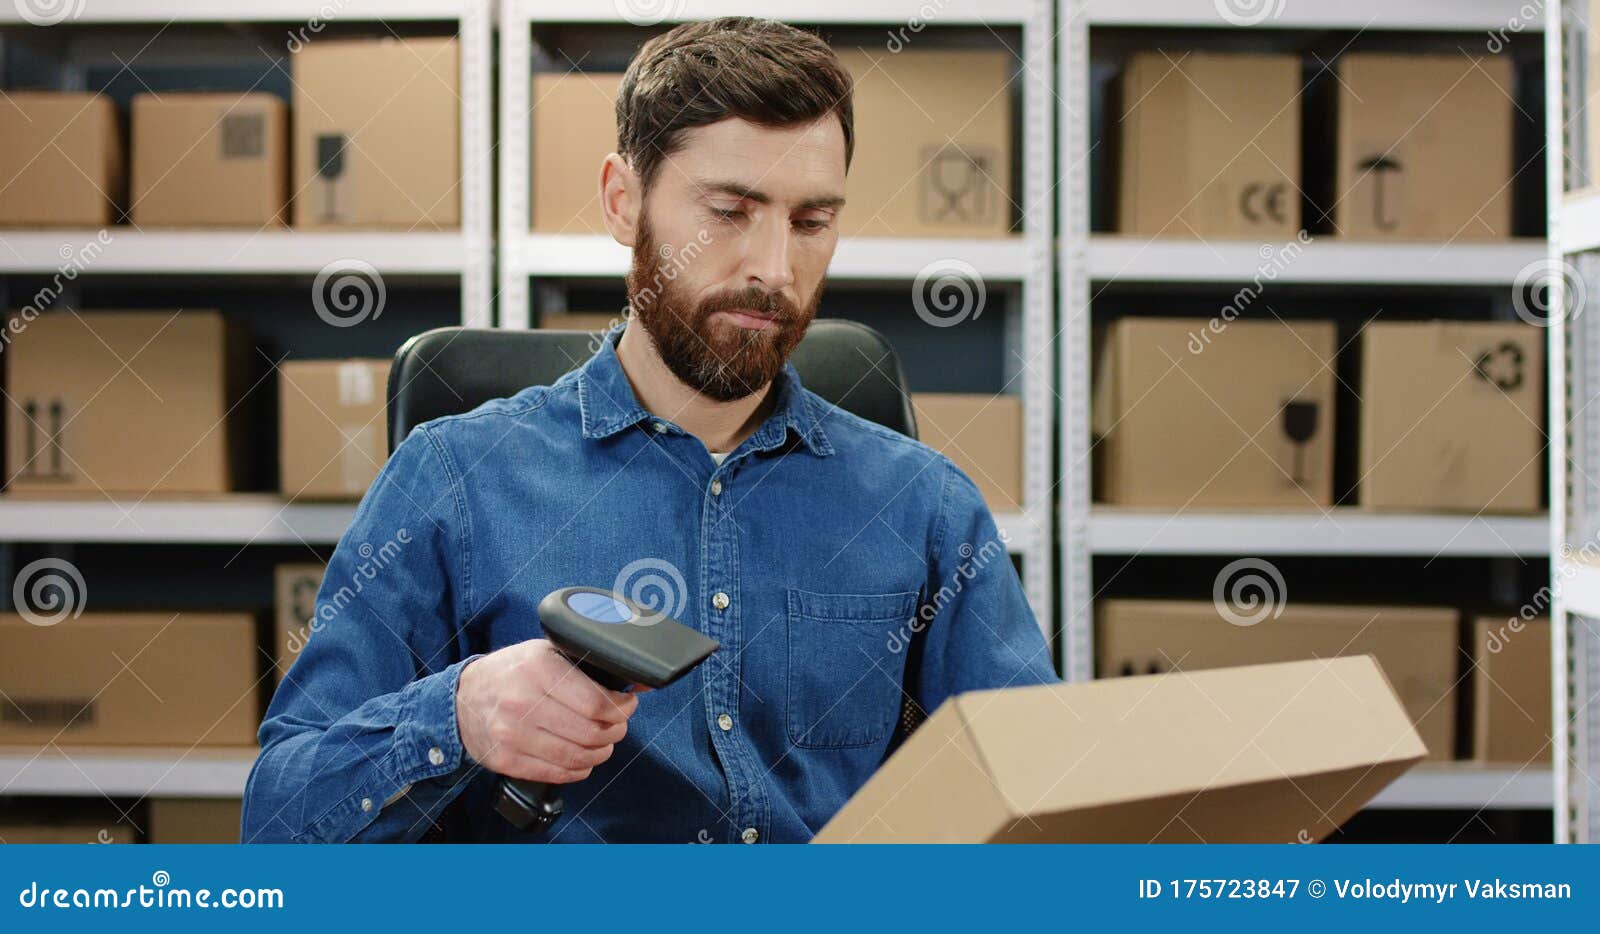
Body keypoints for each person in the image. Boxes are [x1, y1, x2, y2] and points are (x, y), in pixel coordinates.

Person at [243, 15, 1055, 844]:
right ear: (624, 203)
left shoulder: (924, 508)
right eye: (731, 212)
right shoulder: (457, 477)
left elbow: (1043, 801)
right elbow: (279, 820)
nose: (775, 268)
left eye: (811, 222)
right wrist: (455, 716)